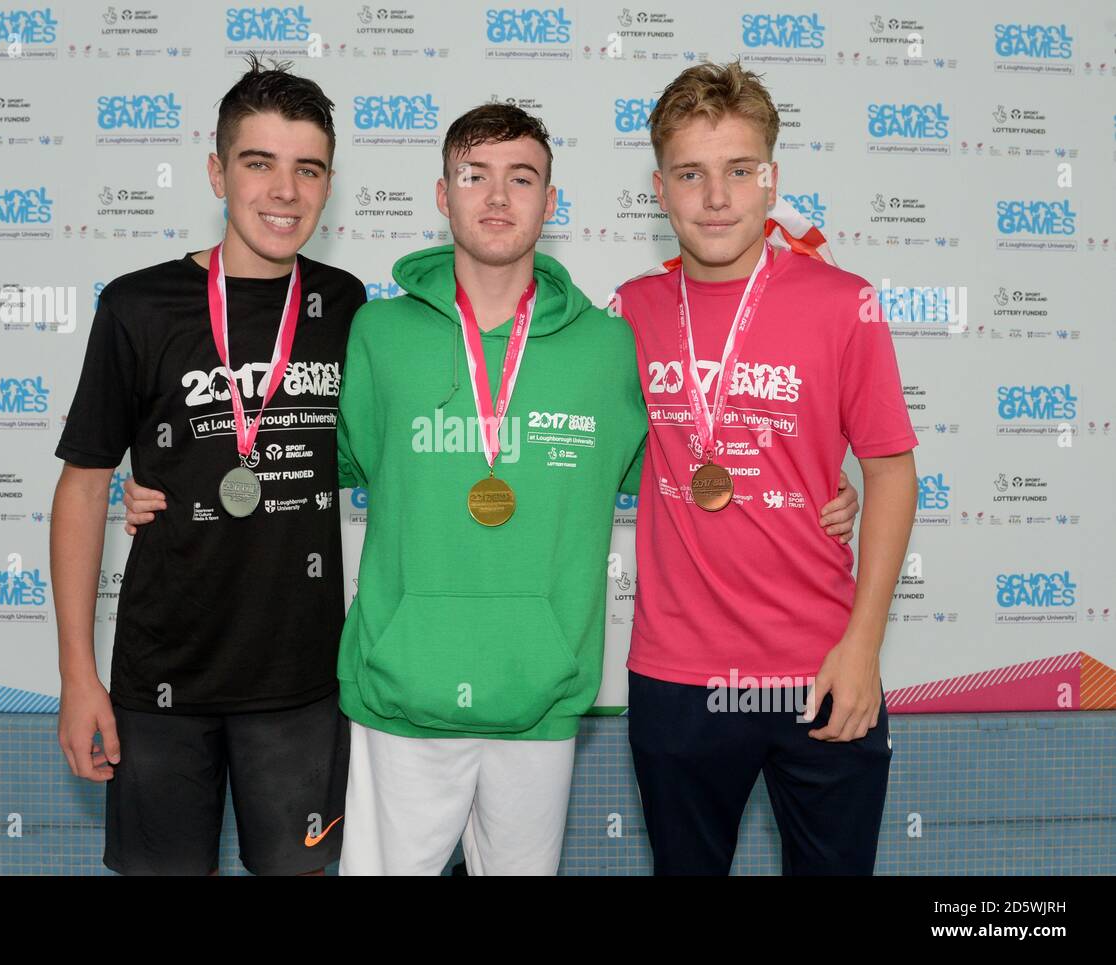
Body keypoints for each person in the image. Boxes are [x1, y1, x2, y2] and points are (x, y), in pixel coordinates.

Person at [124, 103, 861, 876]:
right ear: (443, 196)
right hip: (399, 693)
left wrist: (819, 478)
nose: (498, 198)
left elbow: (684, 455)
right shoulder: (378, 332)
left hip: (539, 696)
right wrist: (164, 477)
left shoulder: (609, 345)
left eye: (522, 178)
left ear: (550, 201)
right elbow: (303, 457)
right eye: (475, 177)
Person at [49, 57, 364, 876]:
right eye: (259, 163)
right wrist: (79, 676)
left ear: (329, 183)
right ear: (218, 171)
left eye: (308, 168)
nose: (284, 192)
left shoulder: (347, 306)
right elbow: (83, 487)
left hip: (302, 684)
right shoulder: (138, 305)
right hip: (162, 681)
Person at [616, 61, 918, 875]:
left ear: (771, 178)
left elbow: (891, 470)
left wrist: (863, 648)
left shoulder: (843, 301)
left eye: (739, 171)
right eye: (691, 173)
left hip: (821, 666)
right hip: (677, 675)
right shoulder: (629, 310)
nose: (716, 196)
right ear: (660, 188)